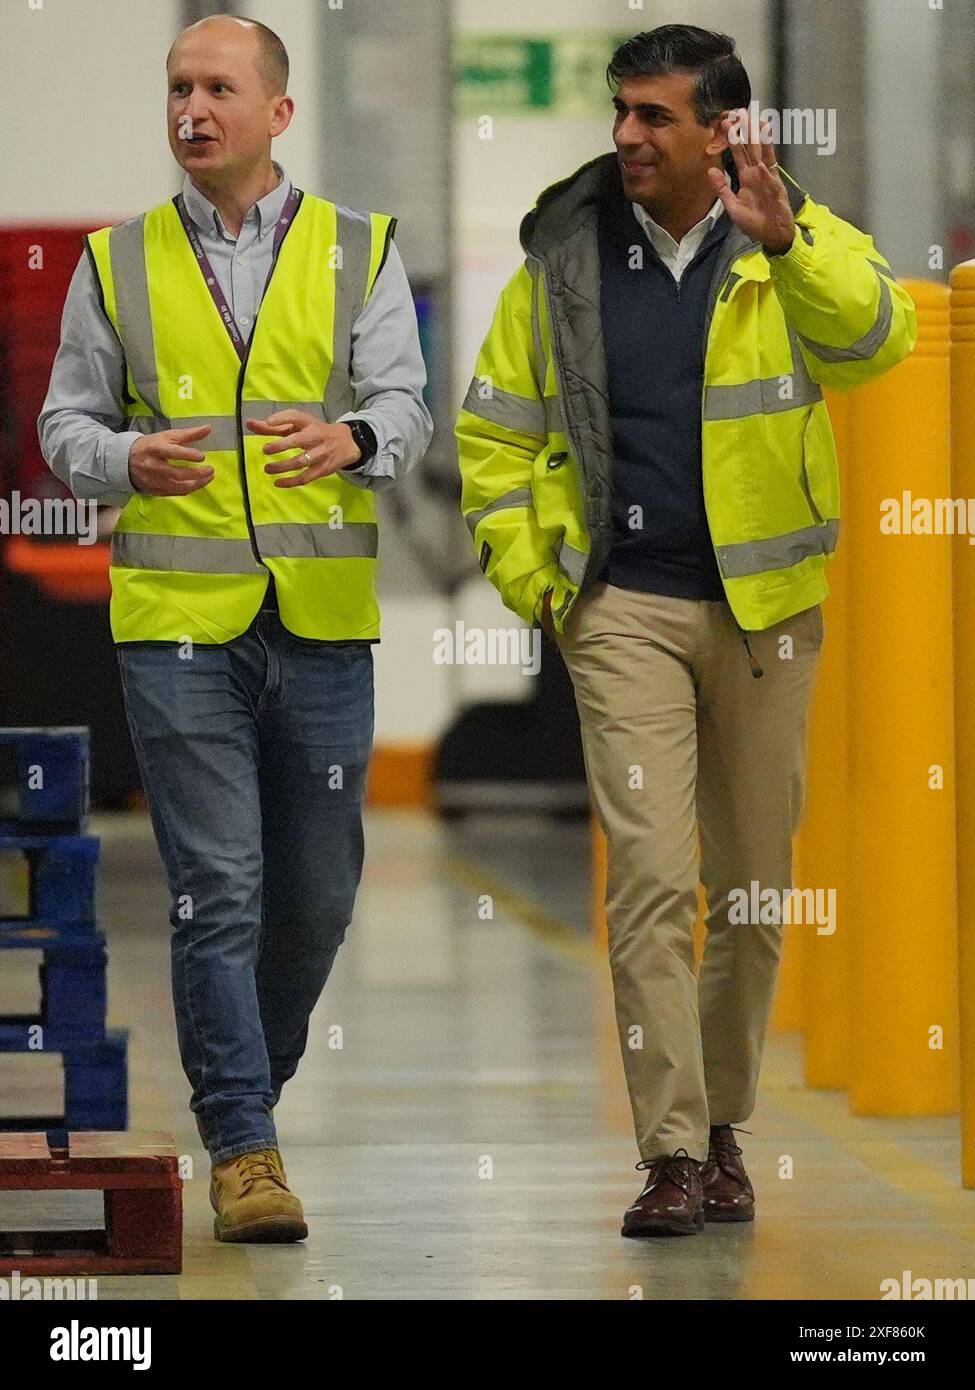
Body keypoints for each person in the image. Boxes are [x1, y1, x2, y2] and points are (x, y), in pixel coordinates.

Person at [455, 24, 916, 1238]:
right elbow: (493, 432)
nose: (627, 135)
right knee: (656, 882)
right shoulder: (562, 261)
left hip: (766, 613)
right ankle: (666, 1151)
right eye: (620, 110)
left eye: (655, 115)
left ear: (723, 128)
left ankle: (722, 1130)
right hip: (625, 607)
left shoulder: (791, 237)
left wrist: (793, 243)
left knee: (755, 893)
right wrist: (543, 581)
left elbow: (879, 344)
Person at [39, 13, 432, 1243]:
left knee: (315, 897)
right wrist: (120, 457)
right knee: (221, 890)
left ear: (277, 112)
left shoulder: (358, 251)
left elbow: (406, 408)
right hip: (176, 624)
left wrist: (352, 440)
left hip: (319, 621)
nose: (191, 109)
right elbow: (63, 427)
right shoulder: (117, 262)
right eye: (176, 89)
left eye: (216, 88)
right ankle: (247, 1145)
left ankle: (242, 1098)